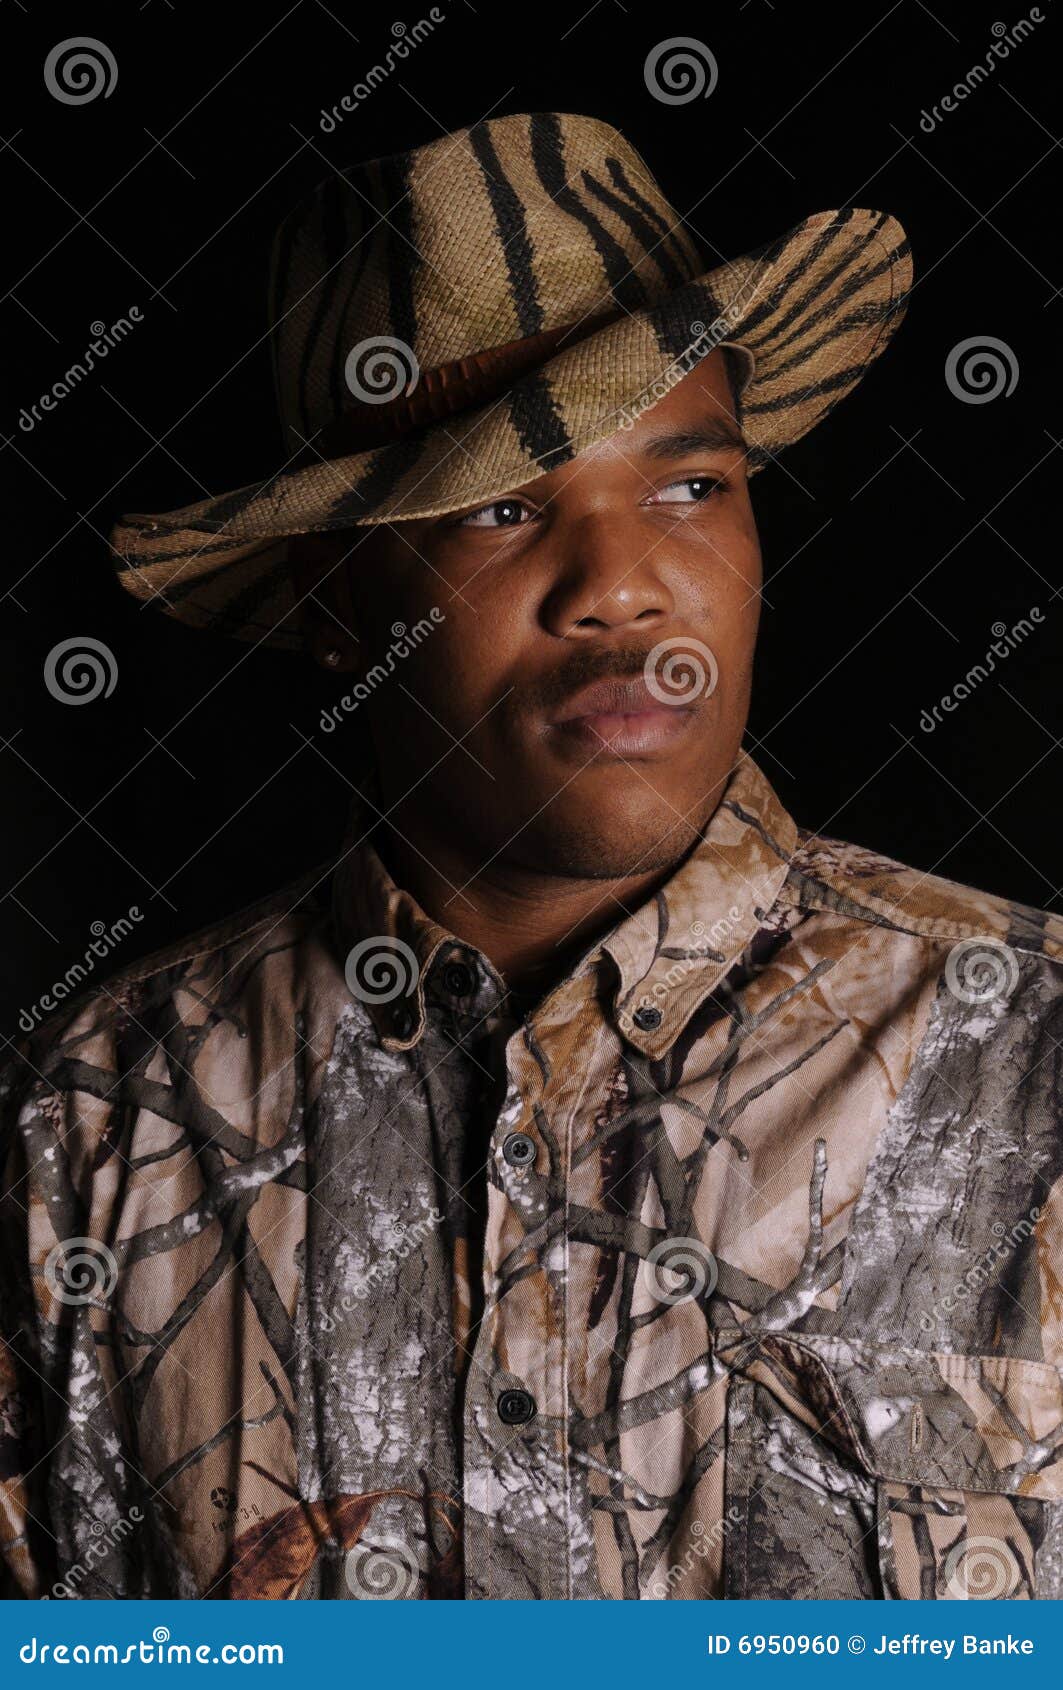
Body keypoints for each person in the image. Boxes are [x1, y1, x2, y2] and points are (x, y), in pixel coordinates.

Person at [3, 112, 1059, 1604]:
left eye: (689, 486)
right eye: (501, 508)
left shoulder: (1029, 1054)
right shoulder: (103, 1127)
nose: (620, 585)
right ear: (339, 598)